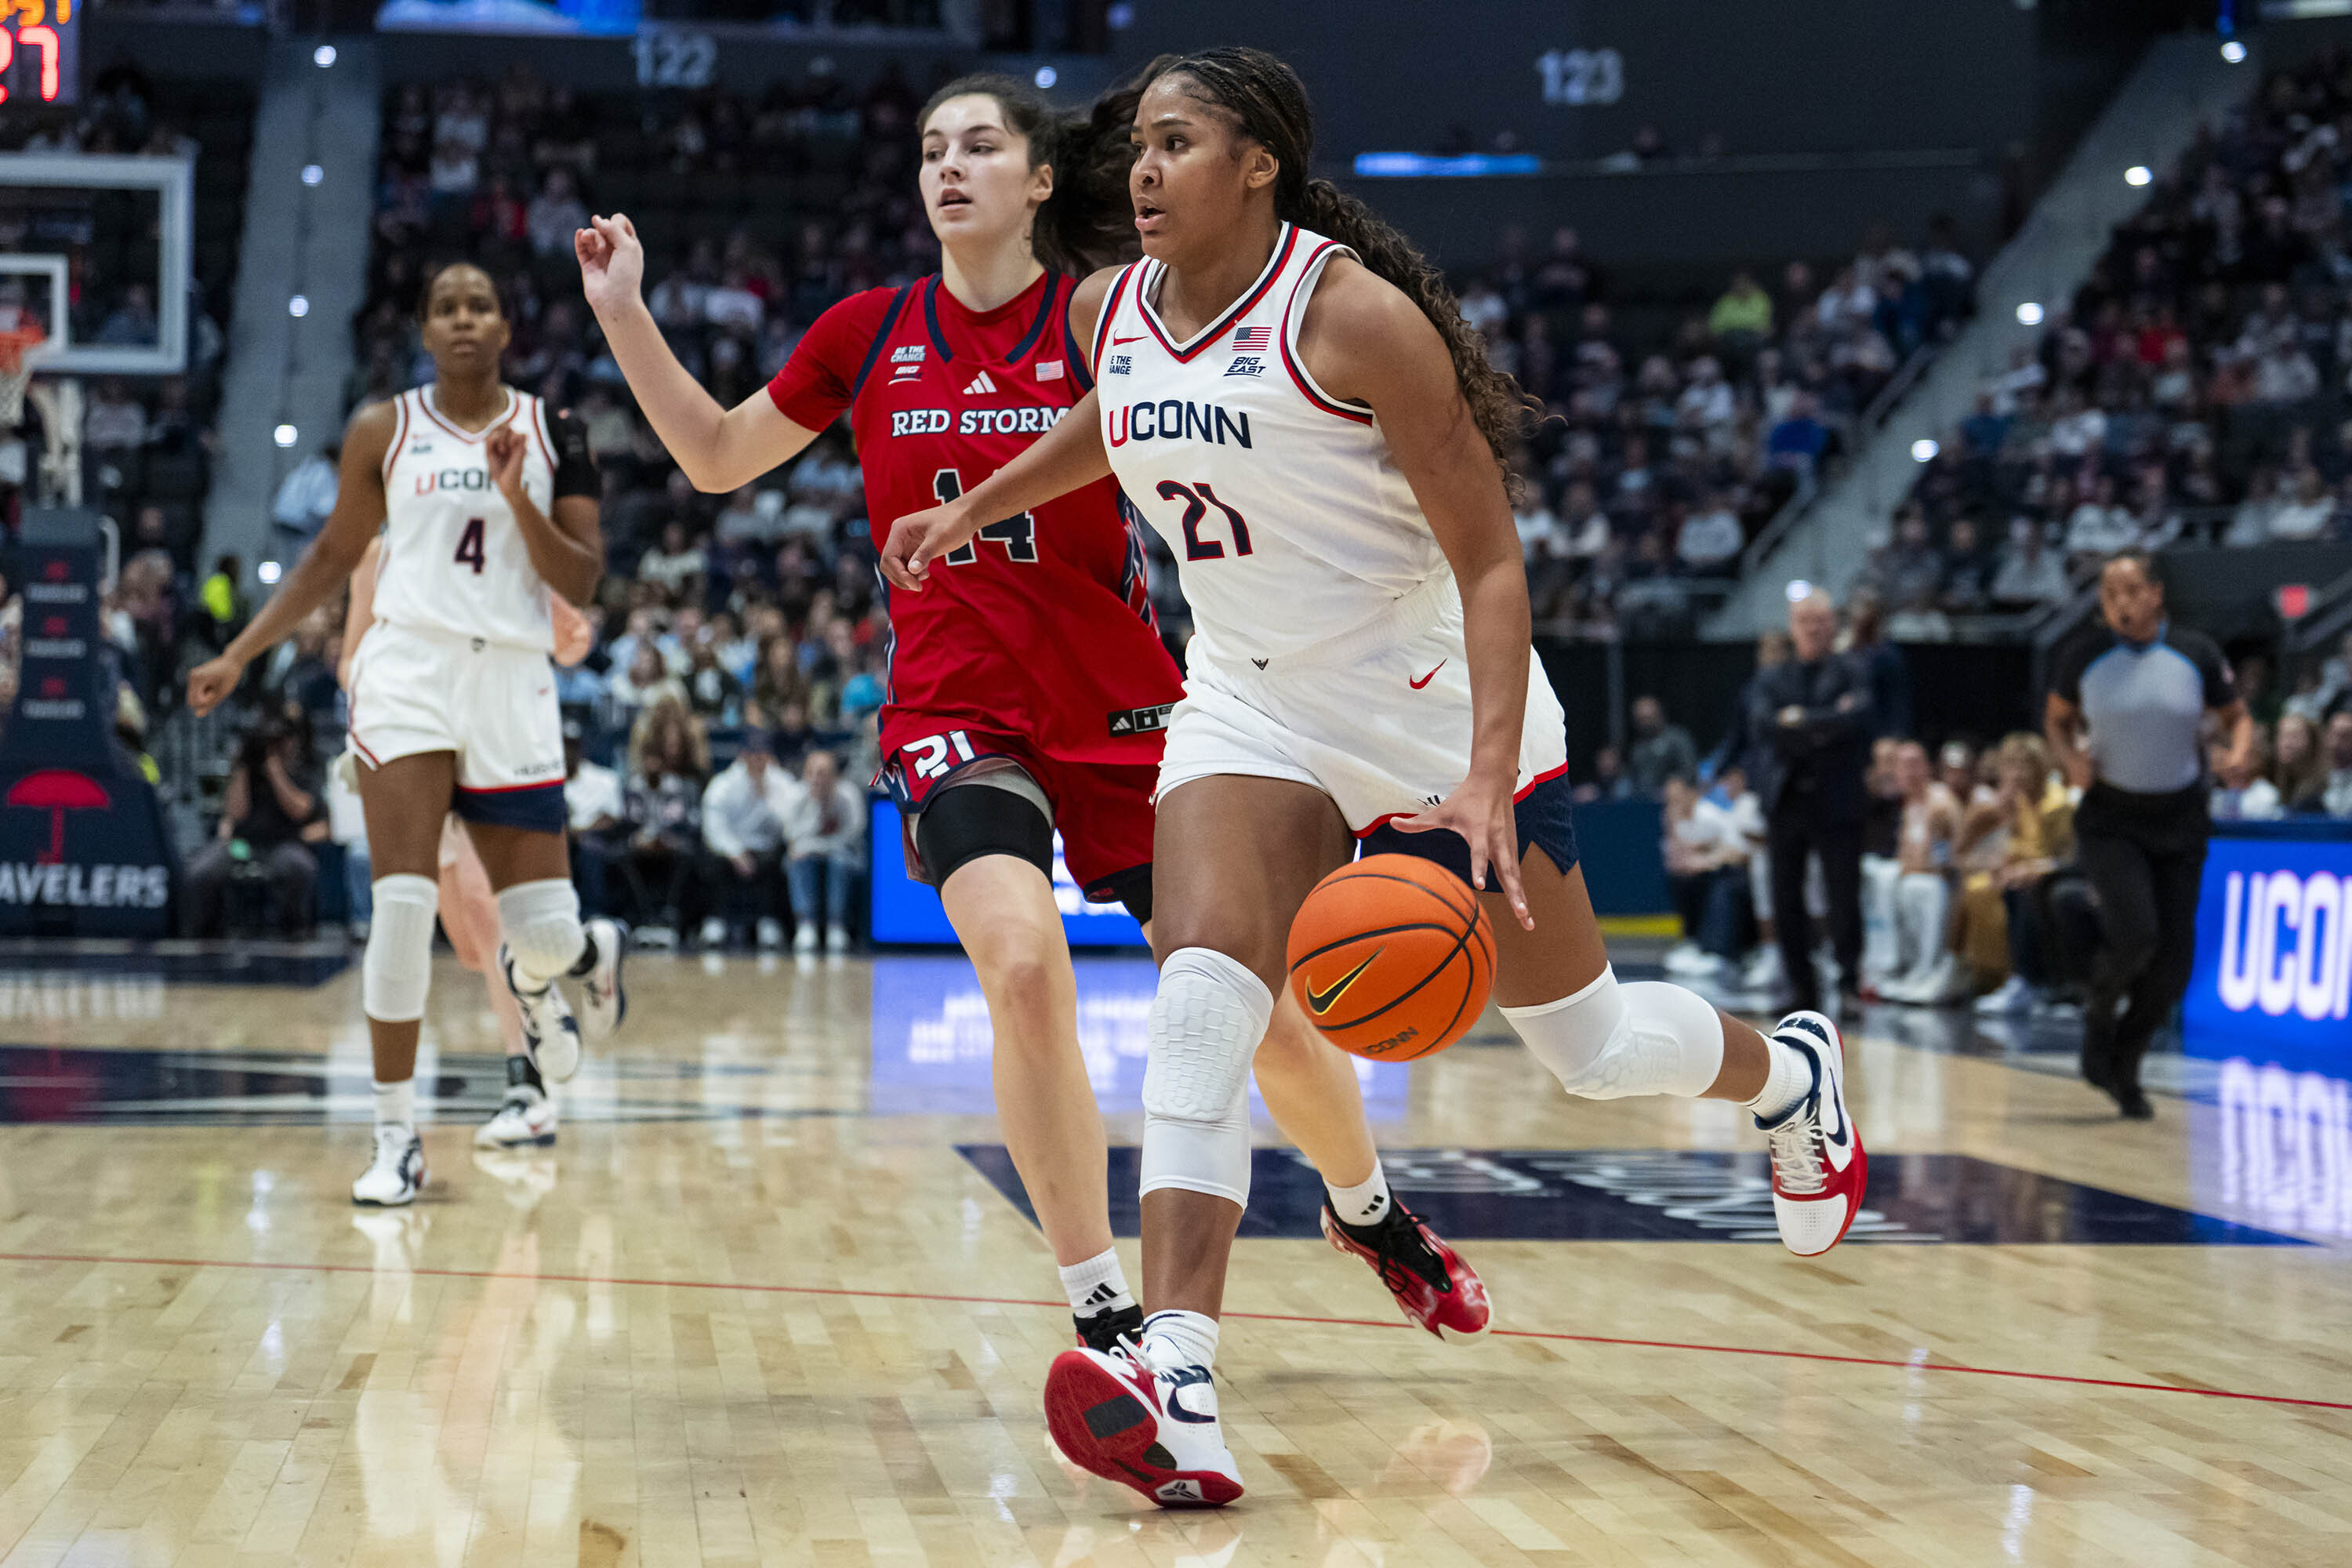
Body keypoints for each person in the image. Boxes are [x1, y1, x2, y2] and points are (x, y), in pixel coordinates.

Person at [880, 47, 1866, 1509]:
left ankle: (1790, 1073)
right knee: (1206, 982)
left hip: (1432, 715)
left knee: (1585, 1049)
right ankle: (1183, 1373)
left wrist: (1478, 780)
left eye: (1178, 144)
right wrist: (978, 503)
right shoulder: (1114, 310)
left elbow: (1488, 558)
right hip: (1250, 702)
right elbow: (1119, 419)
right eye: (1138, 147)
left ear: (1257, 166)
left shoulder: (1353, 318)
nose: (1144, 172)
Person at [575, 71, 1474, 1354]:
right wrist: (624, 311)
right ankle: (1101, 1301)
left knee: (1260, 1009)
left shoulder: (1111, 317)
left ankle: (1367, 1208)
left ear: (1041, 180)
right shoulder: (867, 331)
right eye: (933, 148)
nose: (951, 167)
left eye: (981, 145)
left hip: (1126, 704)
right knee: (1021, 968)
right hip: (955, 709)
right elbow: (716, 457)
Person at [187, 261, 628, 1207]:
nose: (465, 318)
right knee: (400, 903)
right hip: (408, 673)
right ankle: (397, 1137)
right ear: (425, 330)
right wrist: (241, 651)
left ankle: (588, 955)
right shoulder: (383, 429)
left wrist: (516, 497)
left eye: (482, 303)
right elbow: (331, 557)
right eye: (446, 307)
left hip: (510, 679)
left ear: (507, 325)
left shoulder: (560, 432)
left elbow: (584, 579)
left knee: (539, 933)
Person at [339, 537, 597, 1149]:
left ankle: (526, 1090)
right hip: (409, 737)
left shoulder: (492, 536)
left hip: (485, 739)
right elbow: (351, 661)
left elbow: (569, 639)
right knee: (473, 947)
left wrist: (562, 634)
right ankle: (565, 965)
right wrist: (395, 666)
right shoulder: (374, 555)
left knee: (489, 915)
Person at [2045, 548, 2252, 1118]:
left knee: (2174, 964)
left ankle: (2125, 1063)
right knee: (2136, 933)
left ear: (2156, 594)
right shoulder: (2082, 656)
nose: (2122, 604)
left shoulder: (2195, 652)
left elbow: (2238, 716)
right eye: (2111, 595)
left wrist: (2236, 753)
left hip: (2181, 816)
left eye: (2132, 591)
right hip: (2113, 818)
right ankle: (2099, 1012)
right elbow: (2056, 720)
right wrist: (2070, 761)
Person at [1749, 590, 1872, 1018]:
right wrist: (1825, 723)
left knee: (1844, 897)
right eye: (1806, 621)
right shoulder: (1773, 677)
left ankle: (1849, 984)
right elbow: (1765, 725)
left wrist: (1799, 720)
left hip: (1837, 800)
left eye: (1822, 620)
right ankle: (1800, 986)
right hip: (1787, 800)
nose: (1815, 628)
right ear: (1793, 626)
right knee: (1786, 899)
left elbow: (1857, 718)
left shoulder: (1852, 670)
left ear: (1834, 624)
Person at [180, 716, 322, 938]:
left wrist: (275, 772)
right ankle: (204, 932)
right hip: (241, 846)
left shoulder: (300, 769)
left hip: (281, 845)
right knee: (200, 872)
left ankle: (296, 930)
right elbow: (236, 813)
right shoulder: (245, 771)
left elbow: (300, 810)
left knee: (302, 868)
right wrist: (244, 766)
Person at [701, 730, 796, 949]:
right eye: (752, 756)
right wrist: (735, 852)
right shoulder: (724, 785)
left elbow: (790, 825)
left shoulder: (781, 782)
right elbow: (713, 826)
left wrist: (767, 797)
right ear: (742, 756)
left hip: (767, 849)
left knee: (777, 859)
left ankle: (768, 921)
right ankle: (717, 920)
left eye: (761, 756)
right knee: (711, 857)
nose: (757, 762)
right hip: (732, 849)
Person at [782, 748, 864, 953]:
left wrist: (817, 847)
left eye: (823, 773)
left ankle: (837, 925)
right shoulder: (795, 795)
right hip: (804, 855)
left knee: (839, 860)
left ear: (834, 774)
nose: (817, 779)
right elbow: (790, 835)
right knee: (798, 861)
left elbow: (852, 835)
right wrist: (815, 807)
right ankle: (806, 924)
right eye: (812, 772)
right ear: (805, 773)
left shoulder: (849, 795)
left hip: (843, 854)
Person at [1627, 694, 1697, 796]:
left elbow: (1689, 772)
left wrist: (1671, 786)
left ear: (1659, 715)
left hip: (1674, 798)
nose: (1645, 723)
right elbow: (1633, 778)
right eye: (1641, 719)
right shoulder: (1638, 748)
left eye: (1648, 718)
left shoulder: (1677, 738)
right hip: (1644, 800)